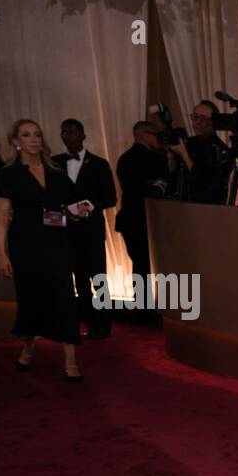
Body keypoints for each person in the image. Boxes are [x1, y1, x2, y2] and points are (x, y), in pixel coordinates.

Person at [0, 119, 91, 381]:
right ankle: (29, 347)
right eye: (26, 135)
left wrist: (80, 211)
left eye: (37, 134)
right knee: (30, 299)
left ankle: (70, 360)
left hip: (57, 244)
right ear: (16, 141)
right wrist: (2, 254)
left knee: (65, 298)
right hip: (25, 246)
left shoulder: (56, 172)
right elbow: (2, 217)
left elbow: (69, 208)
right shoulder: (9, 174)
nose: (33, 139)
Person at [54, 118, 117, 338]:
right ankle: (89, 324)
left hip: (92, 232)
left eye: (71, 132)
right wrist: (63, 210)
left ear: (83, 135)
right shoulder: (53, 164)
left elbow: (110, 198)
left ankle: (104, 325)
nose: (67, 136)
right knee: (79, 280)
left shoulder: (99, 164)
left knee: (99, 279)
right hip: (66, 233)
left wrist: (88, 206)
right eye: (64, 132)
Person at [115, 121, 170, 325]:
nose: (159, 139)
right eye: (156, 134)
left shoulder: (125, 158)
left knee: (140, 264)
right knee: (147, 265)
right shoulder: (154, 159)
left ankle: (143, 307)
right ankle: (148, 310)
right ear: (144, 135)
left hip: (130, 220)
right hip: (147, 219)